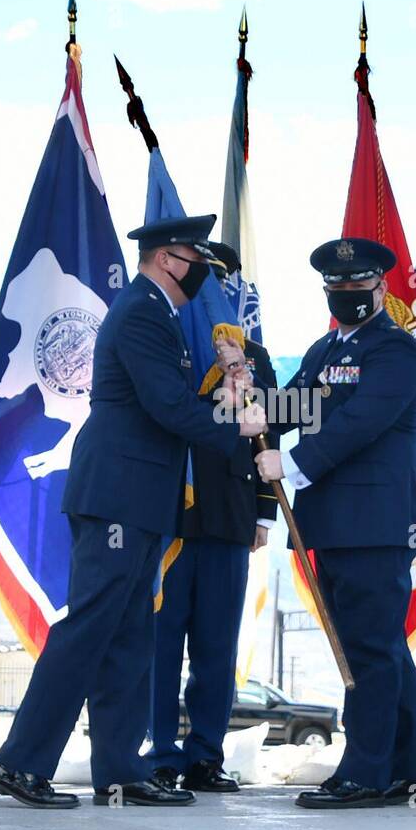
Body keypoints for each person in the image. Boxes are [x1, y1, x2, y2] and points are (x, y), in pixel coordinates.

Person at [0, 214, 266, 809]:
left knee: (130, 637)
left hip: (139, 501)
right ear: (168, 258)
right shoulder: (141, 312)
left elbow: (174, 401)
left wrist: (233, 390)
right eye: (196, 259)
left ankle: (119, 768)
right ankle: (20, 762)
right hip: (116, 496)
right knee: (89, 628)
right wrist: (237, 429)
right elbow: (166, 404)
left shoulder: (157, 312)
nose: (202, 272)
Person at [256, 237, 416, 809]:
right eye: (337, 288)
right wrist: (247, 412)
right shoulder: (321, 351)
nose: (347, 295)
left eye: (358, 285)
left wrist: (287, 462)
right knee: (379, 645)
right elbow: (296, 406)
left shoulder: (395, 352)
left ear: (381, 288)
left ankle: (365, 772)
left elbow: (359, 422)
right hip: (332, 525)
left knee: (367, 651)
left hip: (372, 524)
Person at [148, 242, 278, 794]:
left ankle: (205, 755)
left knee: (216, 647)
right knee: (160, 644)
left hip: (228, 516)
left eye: (226, 286)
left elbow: (273, 431)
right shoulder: (170, 345)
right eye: (211, 284)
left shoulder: (255, 359)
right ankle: (158, 752)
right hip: (170, 516)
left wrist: (263, 515)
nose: (217, 297)